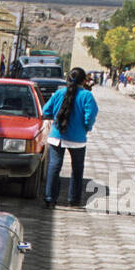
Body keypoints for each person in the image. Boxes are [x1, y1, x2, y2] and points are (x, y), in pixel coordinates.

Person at [42, 67, 98, 208]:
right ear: (84, 81)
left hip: (57, 136)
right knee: (77, 169)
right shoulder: (87, 96)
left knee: (54, 167)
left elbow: (45, 110)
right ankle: (73, 199)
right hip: (77, 138)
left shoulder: (59, 93)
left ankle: (50, 198)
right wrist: (86, 128)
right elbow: (90, 116)